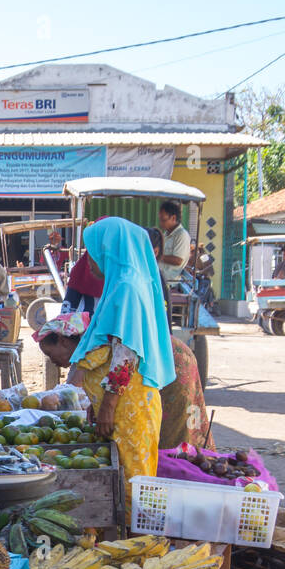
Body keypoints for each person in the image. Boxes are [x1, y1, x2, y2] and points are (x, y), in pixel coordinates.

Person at [36, 217, 176, 487]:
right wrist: (98, 403)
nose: (89, 262)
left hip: (128, 406)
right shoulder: (121, 283)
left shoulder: (127, 287)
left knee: (130, 485)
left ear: (111, 250)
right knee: (118, 482)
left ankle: (133, 532)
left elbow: (127, 353)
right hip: (122, 403)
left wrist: (108, 406)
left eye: (94, 253)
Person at [146, 226, 213, 451]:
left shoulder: (147, 277)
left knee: (174, 431)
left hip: (164, 358)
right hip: (167, 354)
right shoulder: (148, 274)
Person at [157, 201, 191, 283]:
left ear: (173, 218)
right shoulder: (166, 234)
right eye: (160, 220)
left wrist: (158, 256)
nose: (161, 223)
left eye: (163, 220)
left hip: (169, 281)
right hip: (160, 275)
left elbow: (178, 260)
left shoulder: (182, 235)